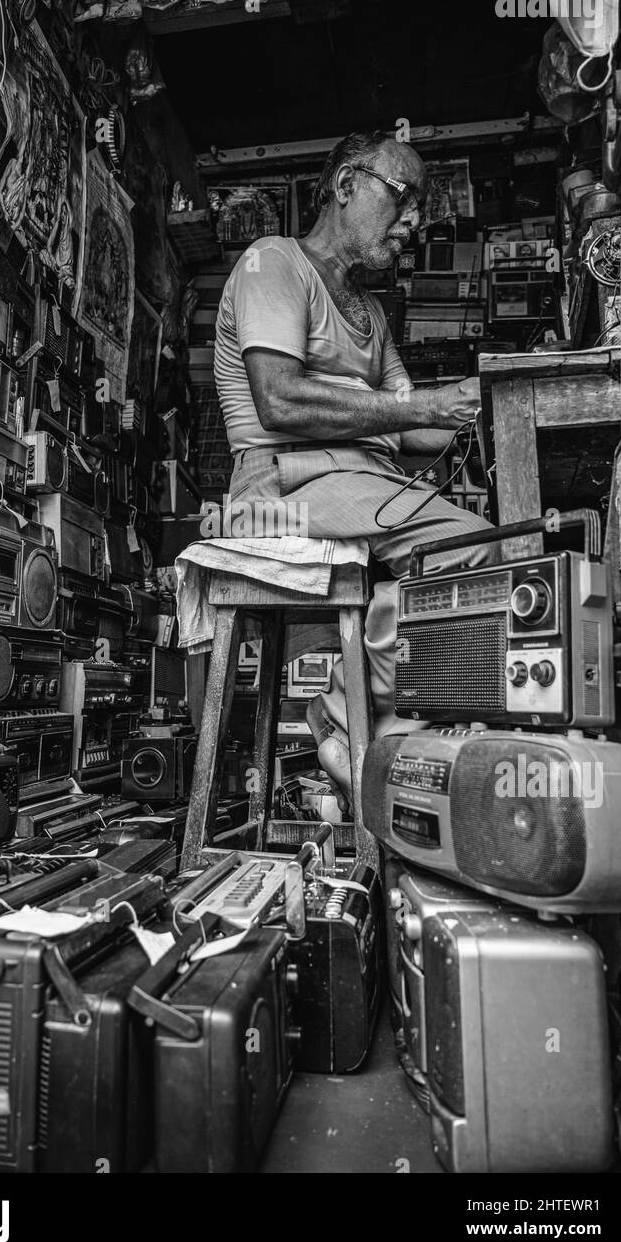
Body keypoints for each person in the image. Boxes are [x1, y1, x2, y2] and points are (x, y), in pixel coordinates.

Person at [214, 129, 495, 801]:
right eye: (402, 198)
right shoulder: (273, 263)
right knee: (466, 546)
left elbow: (409, 421)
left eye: (419, 209)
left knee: (481, 541)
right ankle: (344, 723)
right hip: (279, 483)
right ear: (346, 186)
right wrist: (429, 408)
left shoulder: (368, 313)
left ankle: (368, 721)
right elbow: (278, 400)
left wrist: (481, 403)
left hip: (359, 483)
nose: (412, 222)